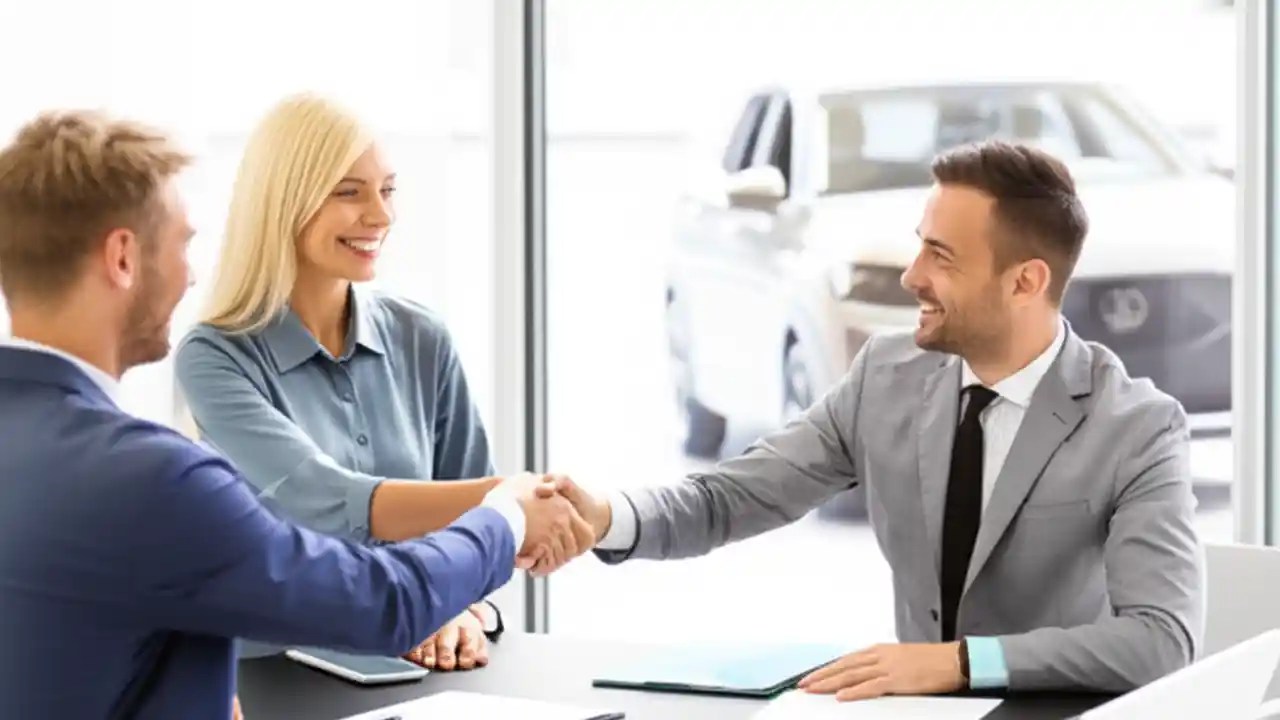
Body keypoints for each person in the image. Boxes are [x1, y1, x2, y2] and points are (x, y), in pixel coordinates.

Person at [538, 140, 1204, 699]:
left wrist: (963, 662)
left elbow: (1161, 638)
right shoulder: (886, 377)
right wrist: (604, 515)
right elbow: (733, 497)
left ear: (1025, 282)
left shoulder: (1137, 427)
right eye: (920, 247)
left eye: (940, 257)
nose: (911, 276)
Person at [0, 109, 591, 719]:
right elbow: (382, 602)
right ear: (124, 257)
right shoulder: (153, 476)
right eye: (182, 244)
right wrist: (508, 515)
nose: (192, 273)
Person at [174, 94, 520, 670]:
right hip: (274, 675)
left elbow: (469, 529)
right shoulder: (214, 357)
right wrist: (517, 501)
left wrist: (461, 604)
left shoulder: (421, 338)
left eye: (387, 190)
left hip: (420, 670)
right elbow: (324, 499)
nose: (381, 216)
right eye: (349, 192)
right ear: (285, 203)